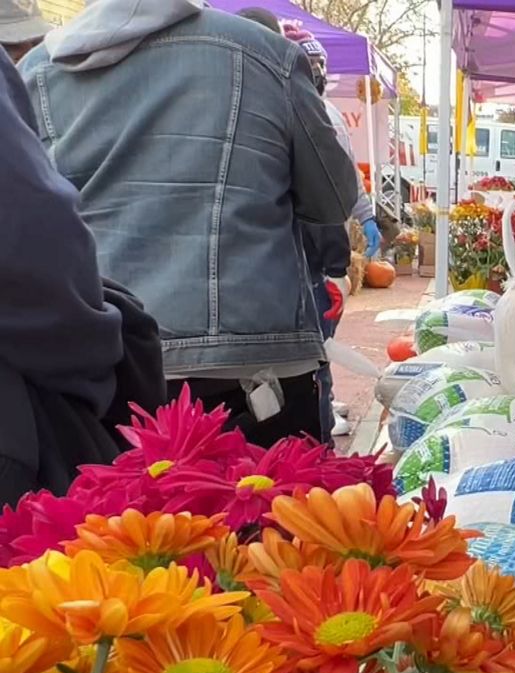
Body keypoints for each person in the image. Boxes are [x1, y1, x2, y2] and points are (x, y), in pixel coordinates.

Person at [19, 0, 358, 447]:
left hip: (108, 360)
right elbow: (333, 199)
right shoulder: (266, 56)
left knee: (125, 517)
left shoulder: (31, 74)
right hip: (250, 367)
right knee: (272, 514)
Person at [0, 52, 166, 503]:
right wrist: (99, 360)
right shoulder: (267, 57)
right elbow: (33, 235)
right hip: (51, 374)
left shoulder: (40, 64)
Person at [281, 20, 380, 440]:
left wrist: (366, 214)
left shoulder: (329, 113)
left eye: (319, 64)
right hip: (302, 244)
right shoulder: (280, 111)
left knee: (326, 330)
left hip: (327, 242)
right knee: (311, 335)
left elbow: (346, 175)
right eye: (310, 64)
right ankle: (319, 411)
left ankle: (326, 393)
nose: (317, 73)